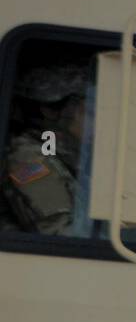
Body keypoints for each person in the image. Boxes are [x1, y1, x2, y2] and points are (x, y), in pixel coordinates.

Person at [1, 61, 90, 235]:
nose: (97, 122)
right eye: (89, 111)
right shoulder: (27, 156)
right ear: (49, 111)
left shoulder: (65, 153)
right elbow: (62, 232)